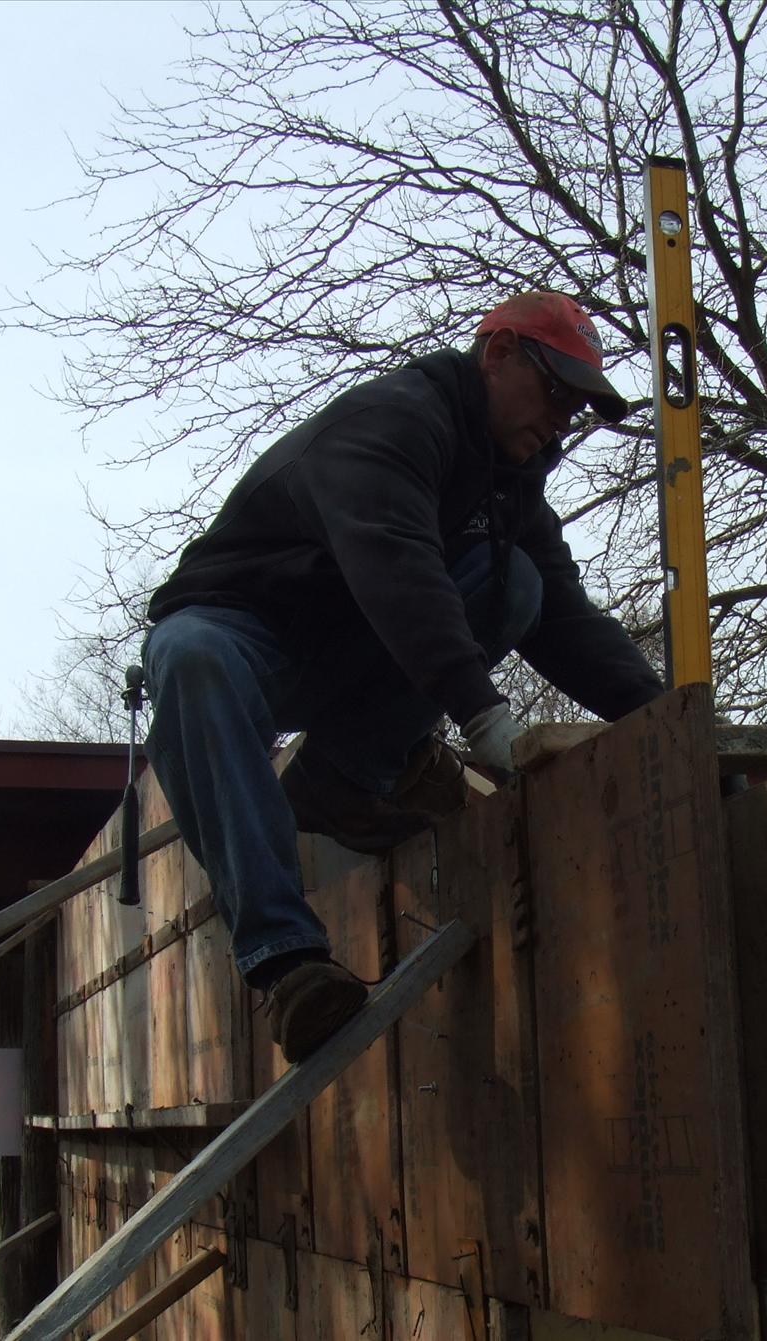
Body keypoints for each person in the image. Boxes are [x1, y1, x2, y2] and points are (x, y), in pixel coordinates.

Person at [142, 291, 666, 1062]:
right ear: (497, 355)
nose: (562, 419)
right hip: (247, 626)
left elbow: (573, 627)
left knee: (515, 582)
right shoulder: (395, 421)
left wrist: (676, 722)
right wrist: (487, 720)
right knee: (190, 658)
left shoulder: (511, 490)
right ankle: (288, 964)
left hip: (357, 647)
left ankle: (343, 777)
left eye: (577, 406)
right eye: (554, 390)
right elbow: (397, 570)